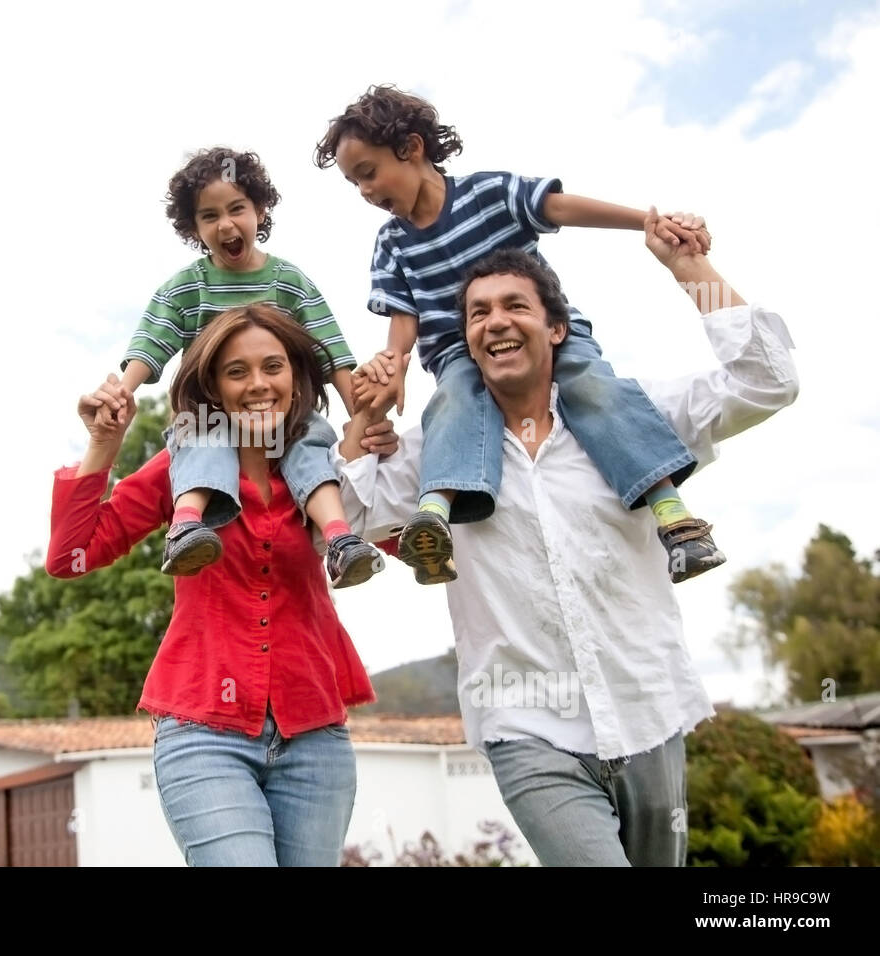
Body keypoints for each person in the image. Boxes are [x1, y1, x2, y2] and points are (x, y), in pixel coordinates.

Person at [334, 210, 799, 865]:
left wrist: (691, 271)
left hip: (647, 710)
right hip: (525, 727)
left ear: (555, 328)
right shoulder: (435, 456)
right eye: (477, 313)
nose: (494, 321)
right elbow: (346, 513)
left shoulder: (636, 416)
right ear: (467, 342)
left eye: (514, 306)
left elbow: (769, 381)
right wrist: (365, 417)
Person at [315, 84, 724, 586]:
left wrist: (646, 221)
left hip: (545, 338)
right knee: (453, 406)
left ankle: (675, 519)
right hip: (458, 354)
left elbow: (560, 208)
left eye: (368, 173)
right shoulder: (392, 243)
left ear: (412, 149)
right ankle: (433, 520)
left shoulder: (489, 193)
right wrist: (394, 365)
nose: (366, 192)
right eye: (355, 184)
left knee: (595, 389)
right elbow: (404, 319)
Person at [48, 303, 377, 867]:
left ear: (297, 379)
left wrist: (379, 444)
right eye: (237, 372)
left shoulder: (327, 470)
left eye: (273, 367)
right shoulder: (184, 468)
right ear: (214, 389)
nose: (258, 385)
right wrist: (104, 444)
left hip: (315, 733)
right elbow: (72, 556)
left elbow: (398, 540)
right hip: (204, 730)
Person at [102, 146, 384, 588]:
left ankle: (339, 539)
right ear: (195, 228)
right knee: (201, 437)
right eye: (210, 216)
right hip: (213, 411)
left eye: (237, 209)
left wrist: (360, 422)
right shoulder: (188, 286)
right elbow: (151, 342)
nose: (226, 224)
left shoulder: (288, 281)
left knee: (311, 441)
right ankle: (187, 526)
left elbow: (332, 350)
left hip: (283, 417)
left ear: (260, 210)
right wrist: (123, 390)